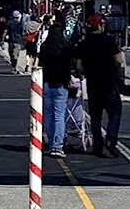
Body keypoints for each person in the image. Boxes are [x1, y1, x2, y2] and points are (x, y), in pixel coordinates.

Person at [75, 17, 124, 157]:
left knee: (95, 115)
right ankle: (111, 140)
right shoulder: (109, 41)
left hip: (93, 82)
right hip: (108, 81)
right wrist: (117, 74)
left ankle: (98, 142)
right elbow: (119, 60)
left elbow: (79, 66)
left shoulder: (84, 44)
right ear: (101, 26)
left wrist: (85, 72)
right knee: (115, 111)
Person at [38, 20, 72, 157]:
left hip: (47, 82)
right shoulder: (66, 47)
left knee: (49, 114)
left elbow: (40, 63)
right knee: (59, 115)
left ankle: (51, 141)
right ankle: (57, 146)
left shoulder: (45, 47)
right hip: (61, 84)